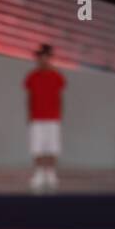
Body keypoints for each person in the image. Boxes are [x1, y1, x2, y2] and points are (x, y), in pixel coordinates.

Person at [24, 43, 64, 193]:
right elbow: (29, 98)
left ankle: (51, 173)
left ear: (50, 58)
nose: (43, 60)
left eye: (46, 57)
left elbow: (60, 98)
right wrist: (29, 114)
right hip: (37, 117)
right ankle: (39, 173)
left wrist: (60, 115)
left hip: (53, 117)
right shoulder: (32, 77)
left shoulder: (57, 76)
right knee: (37, 147)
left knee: (52, 147)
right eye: (41, 57)